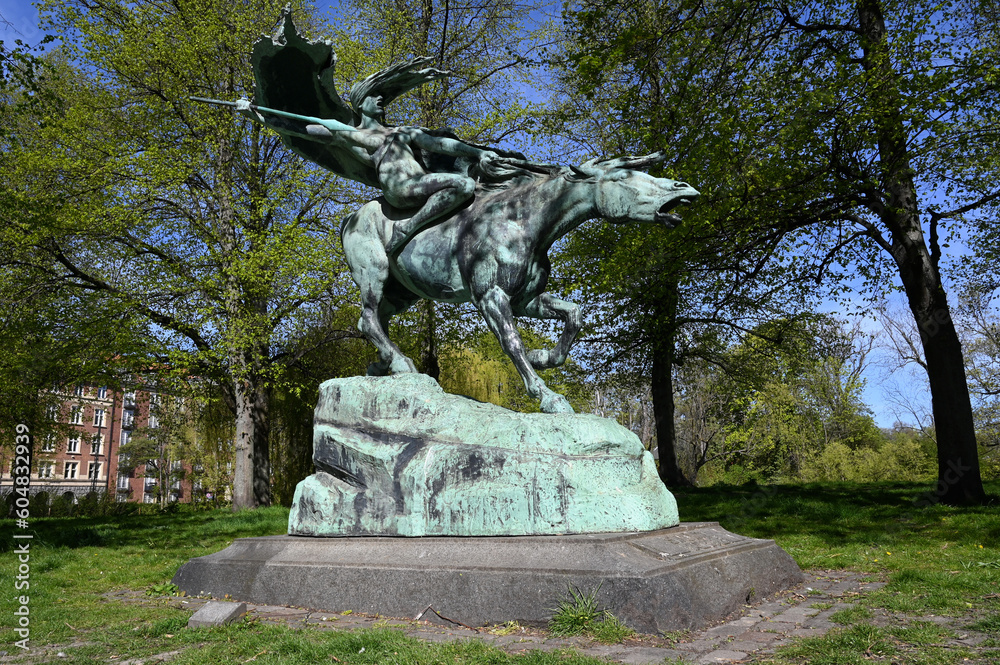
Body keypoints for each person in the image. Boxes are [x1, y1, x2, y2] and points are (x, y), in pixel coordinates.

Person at [236, 82, 499, 253]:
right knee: (463, 185)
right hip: (401, 188)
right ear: (361, 103)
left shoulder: (403, 131)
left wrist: (477, 152)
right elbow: (300, 130)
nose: (380, 100)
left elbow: (441, 144)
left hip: (420, 182)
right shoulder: (351, 135)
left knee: (471, 185)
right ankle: (408, 228)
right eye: (374, 97)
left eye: (382, 97)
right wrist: (256, 115)